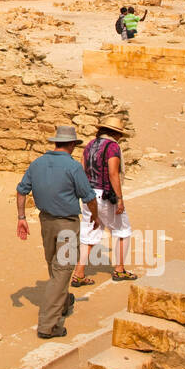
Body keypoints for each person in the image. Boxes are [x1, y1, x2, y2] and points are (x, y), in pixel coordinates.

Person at [16, 126, 102, 339]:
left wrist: (21, 218)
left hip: (46, 222)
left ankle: (63, 302)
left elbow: (21, 190)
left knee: (54, 265)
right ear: (72, 145)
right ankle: (49, 325)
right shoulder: (73, 167)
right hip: (67, 225)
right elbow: (88, 195)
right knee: (62, 270)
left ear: (56, 142)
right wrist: (95, 216)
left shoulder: (37, 163)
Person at [72, 114, 136, 285]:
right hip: (106, 195)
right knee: (122, 231)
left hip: (89, 195)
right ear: (116, 134)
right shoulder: (113, 147)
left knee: (90, 233)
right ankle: (120, 269)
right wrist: (120, 198)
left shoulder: (90, 145)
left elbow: (82, 168)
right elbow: (113, 172)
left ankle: (79, 272)